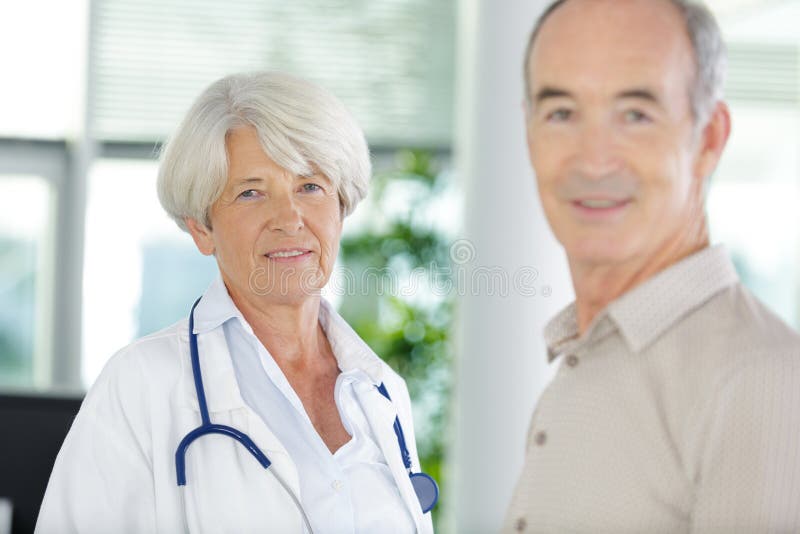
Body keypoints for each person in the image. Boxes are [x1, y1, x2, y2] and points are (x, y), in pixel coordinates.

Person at [36, 72, 436, 533]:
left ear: (341, 207)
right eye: (251, 192)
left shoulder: (380, 391)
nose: (289, 219)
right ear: (201, 228)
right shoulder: (141, 385)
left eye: (310, 187)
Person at [504, 0, 800, 531]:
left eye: (636, 115)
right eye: (562, 113)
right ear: (530, 135)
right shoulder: (586, 356)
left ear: (708, 137)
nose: (593, 161)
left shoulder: (763, 379)